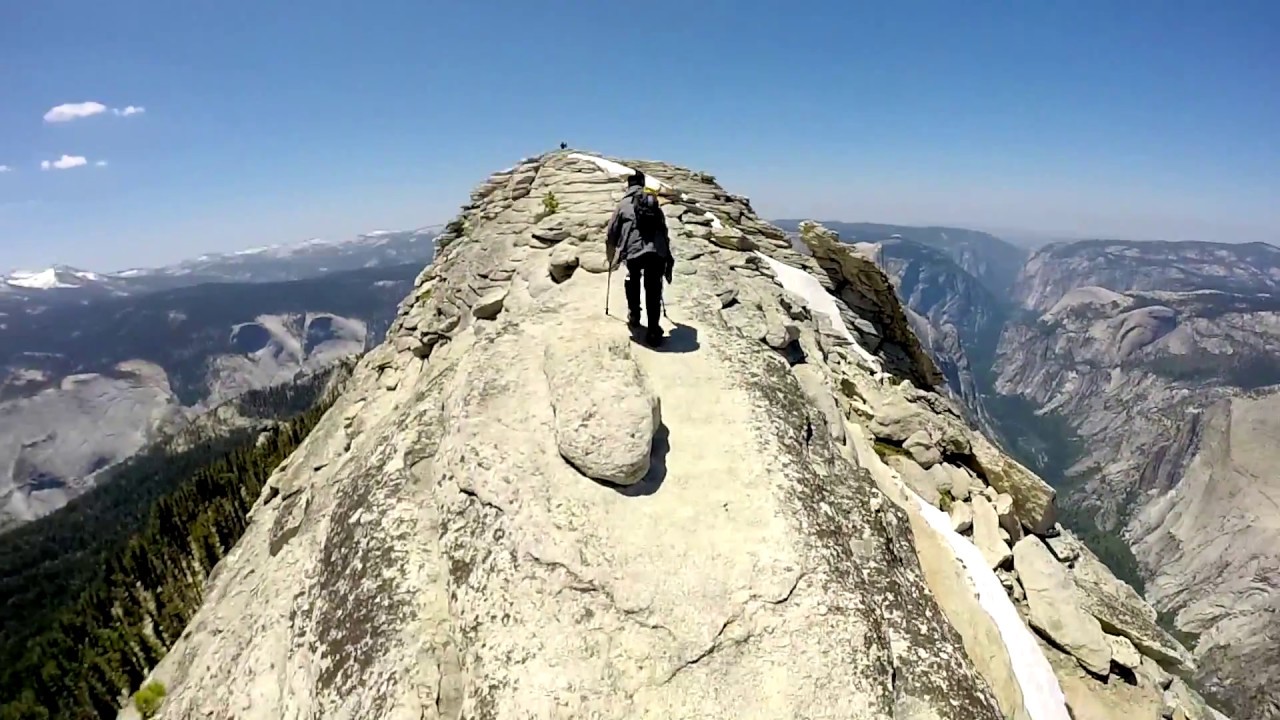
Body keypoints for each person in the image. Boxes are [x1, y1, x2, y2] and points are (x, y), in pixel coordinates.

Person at [605, 171, 674, 345]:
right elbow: (664, 232)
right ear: (642, 185)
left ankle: (634, 314)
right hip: (656, 252)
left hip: (634, 252)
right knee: (653, 289)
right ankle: (653, 331)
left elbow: (611, 234)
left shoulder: (623, 205)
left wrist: (611, 257)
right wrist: (667, 257)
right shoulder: (653, 202)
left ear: (628, 186)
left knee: (633, 278)